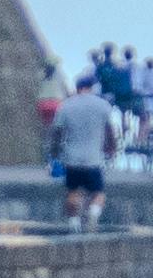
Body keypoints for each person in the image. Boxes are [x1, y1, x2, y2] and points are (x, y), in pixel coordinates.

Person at [47, 69, 117, 231]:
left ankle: (74, 224)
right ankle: (93, 213)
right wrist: (111, 149)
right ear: (91, 87)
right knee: (98, 193)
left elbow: (57, 133)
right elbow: (110, 132)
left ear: (77, 87)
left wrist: (54, 153)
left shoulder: (65, 106)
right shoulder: (103, 106)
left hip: (71, 158)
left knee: (73, 191)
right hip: (93, 159)